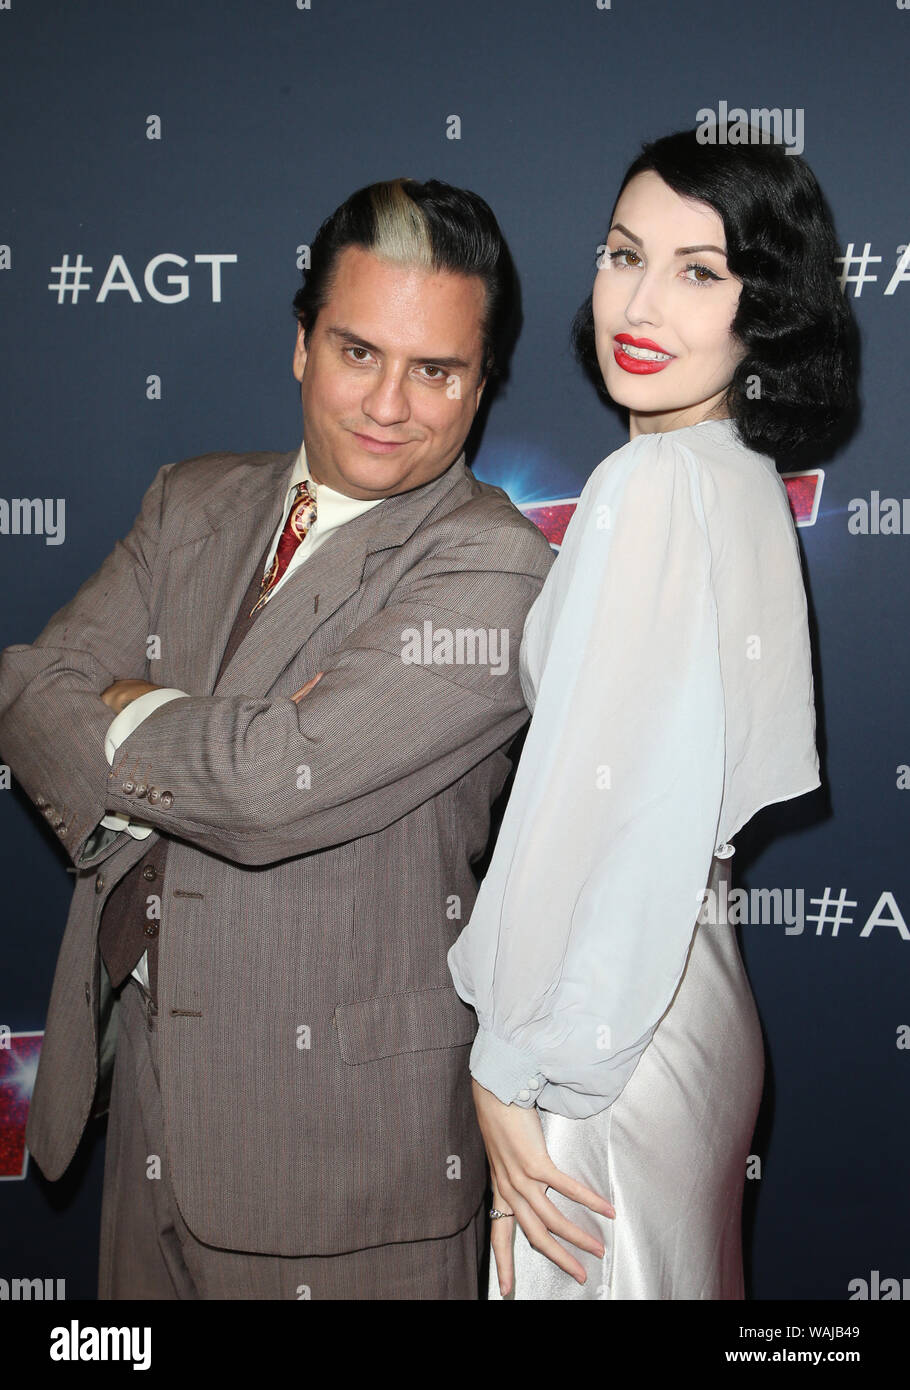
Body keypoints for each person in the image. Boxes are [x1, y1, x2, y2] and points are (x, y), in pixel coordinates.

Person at [0, 177, 555, 1300]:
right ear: (301, 345)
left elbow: (266, 789)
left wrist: (128, 704)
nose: (390, 405)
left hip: (346, 1170)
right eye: (358, 351)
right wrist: (202, 737)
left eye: (435, 370)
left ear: (482, 384)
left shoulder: (494, 567)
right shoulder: (188, 499)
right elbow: (26, 688)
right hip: (148, 1098)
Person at [448, 127, 858, 1300]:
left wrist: (508, 1061)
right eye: (625, 254)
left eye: (699, 270)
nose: (640, 301)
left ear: (762, 308)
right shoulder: (734, 477)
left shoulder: (651, 485)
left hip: (600, 1040)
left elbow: (596, 813)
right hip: (689, 1008)